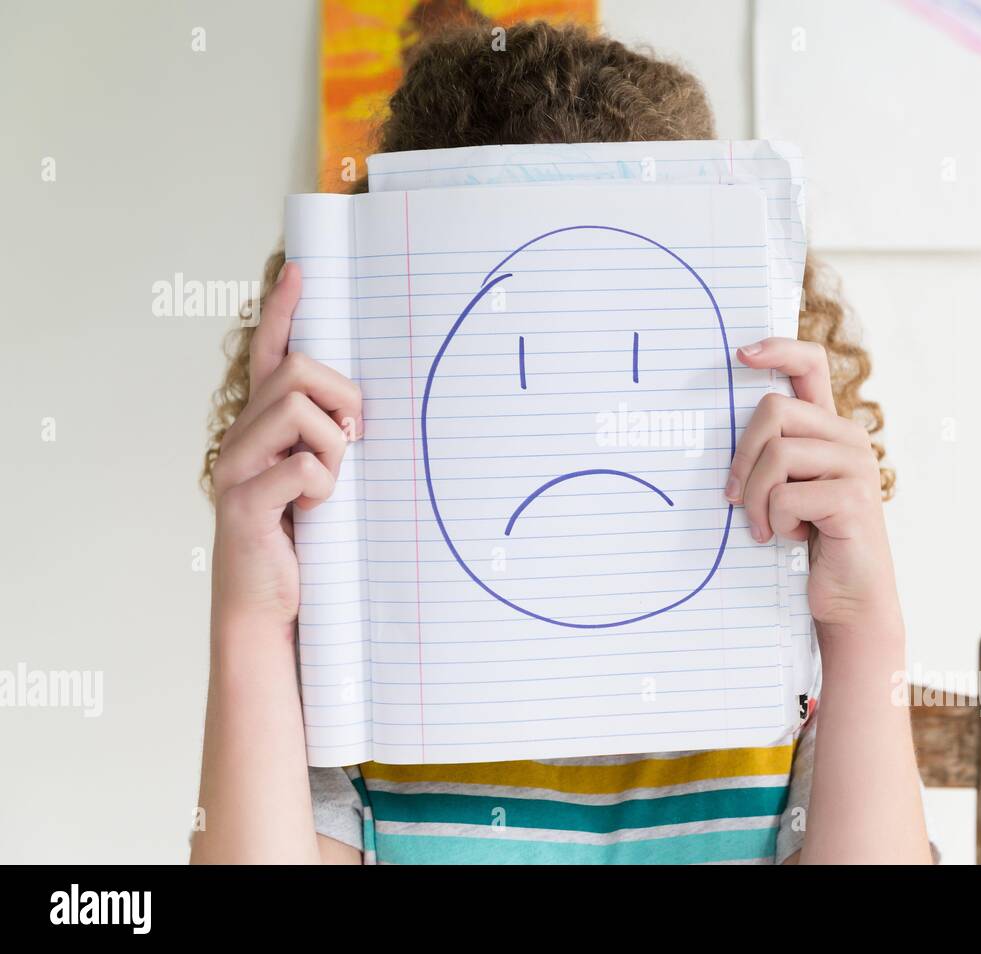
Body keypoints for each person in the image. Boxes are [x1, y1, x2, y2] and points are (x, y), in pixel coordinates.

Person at [190, 22, 931, 864]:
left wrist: (866, 629)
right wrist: (250, 620)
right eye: (515, 376)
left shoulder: (778, 674)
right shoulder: (354, 692)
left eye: (640, 363)